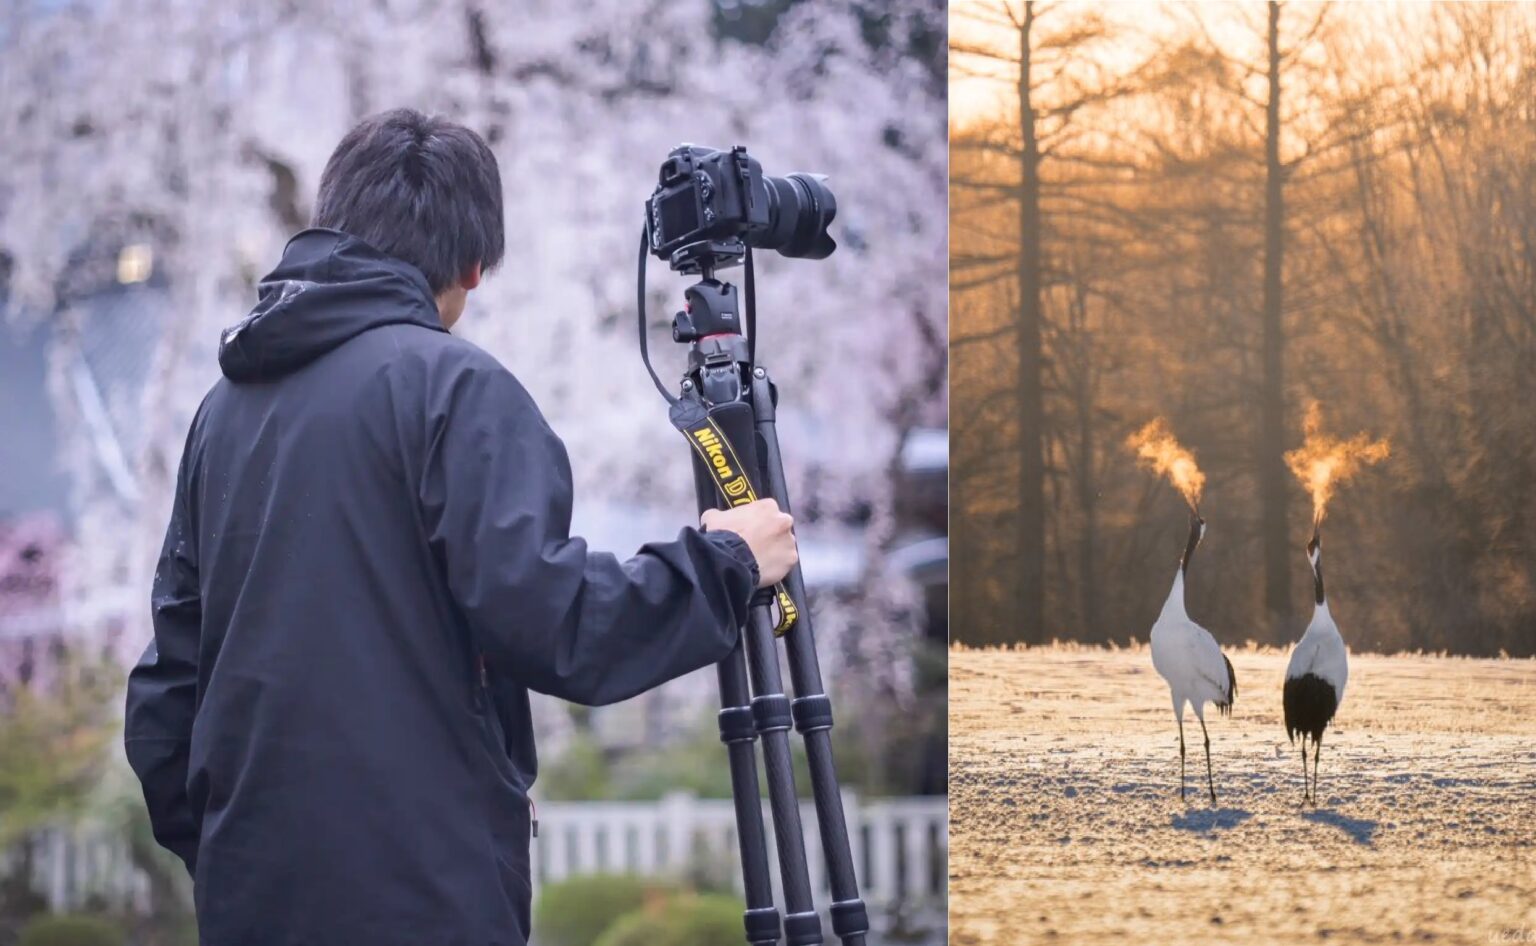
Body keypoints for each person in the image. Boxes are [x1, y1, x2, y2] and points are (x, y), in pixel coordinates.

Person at [123, 108, 798, 946]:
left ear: (334, 221)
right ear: (474, 268)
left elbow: (165, 693)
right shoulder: (453, 389)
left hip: (251, 898)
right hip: (427, 896)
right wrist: (727, 564)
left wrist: (234, 850)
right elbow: (550, 620)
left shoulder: (220, 414)